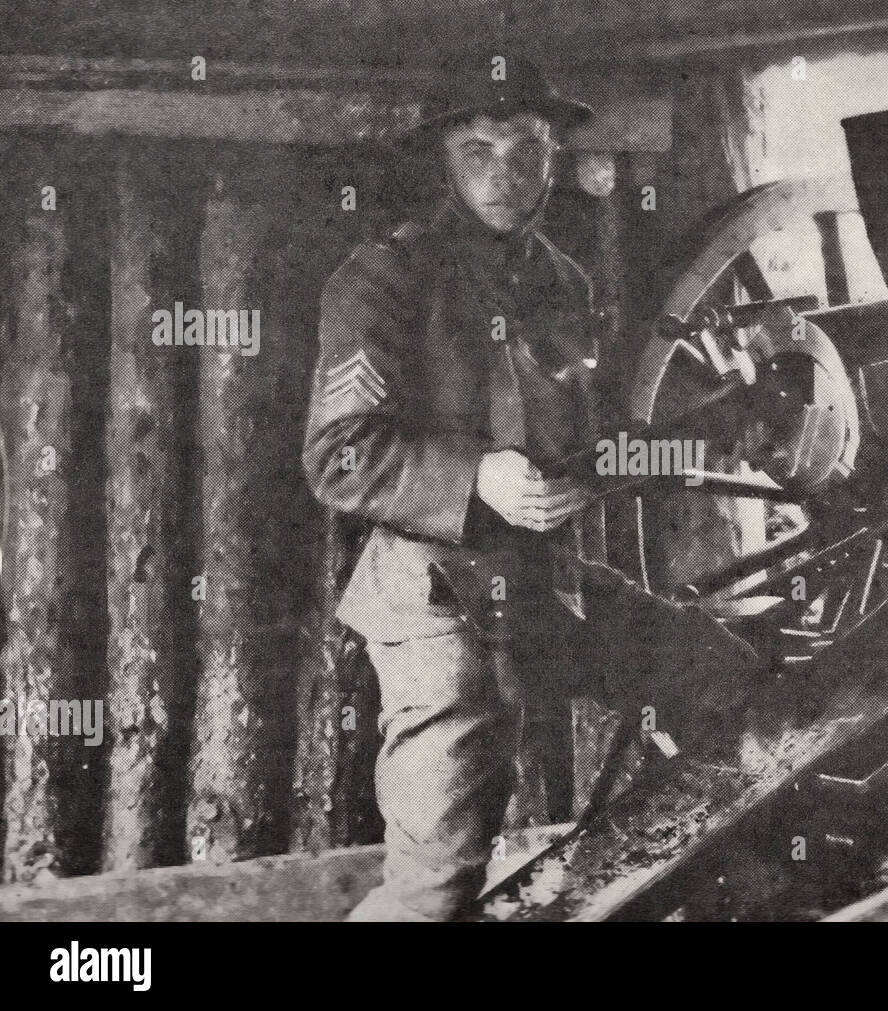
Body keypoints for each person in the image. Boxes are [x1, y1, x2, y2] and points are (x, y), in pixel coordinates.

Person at [302, 48, 606, 921]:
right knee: (435, 882)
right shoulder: (387, 278)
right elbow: (341, 454)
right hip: (433, 597)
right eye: (478, 150)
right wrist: (479, 477)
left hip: (542, 587)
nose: (503, 174)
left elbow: (584, 438)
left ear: (553, 159)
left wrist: (582, 483)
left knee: (712, 666)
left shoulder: (563, 282)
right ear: (444, 158)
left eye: (526, 151)